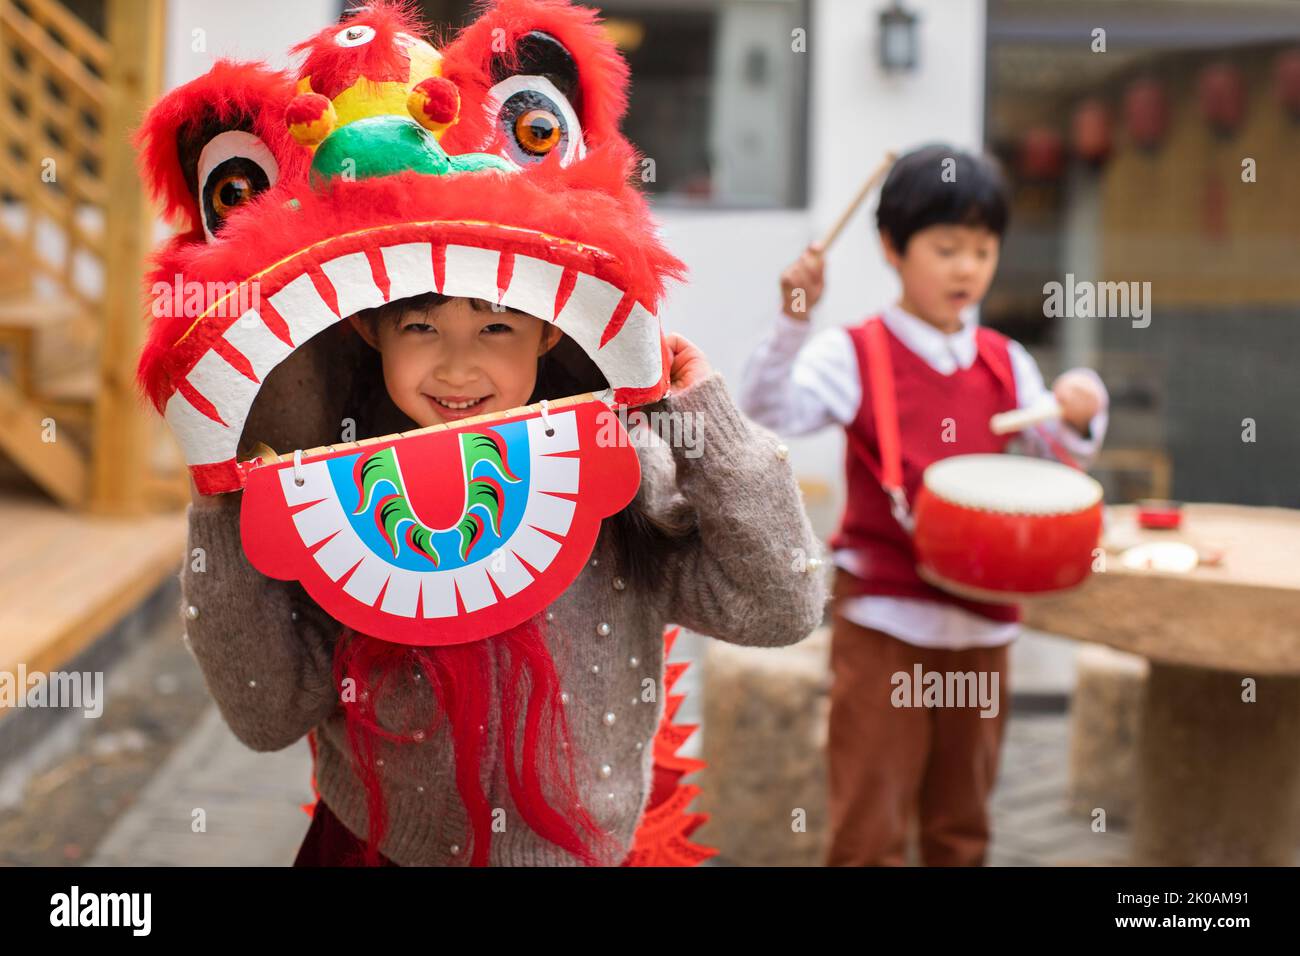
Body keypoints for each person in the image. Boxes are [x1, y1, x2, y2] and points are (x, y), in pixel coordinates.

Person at [182, 289, 827, 865]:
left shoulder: (621, 471)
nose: (457, 367)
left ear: (549, 329)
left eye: (494, 328)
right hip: (368, 850)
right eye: (419, 327)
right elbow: (264, 715)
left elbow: (782, 605)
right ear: (368, 328)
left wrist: (700, 418)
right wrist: (215, 513)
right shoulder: (327, 493)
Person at [738, 144, 1109, 866]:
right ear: (890, 248)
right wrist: (792, 319)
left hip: (984, 624)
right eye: (946, 248)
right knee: (868, 826)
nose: (967, 268)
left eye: (982, 248)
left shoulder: (1008, 361)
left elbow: (1059, 461)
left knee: (961, 824)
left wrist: (1078, 411)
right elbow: (767, 408)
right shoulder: (856, 353)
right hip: (884, 619)